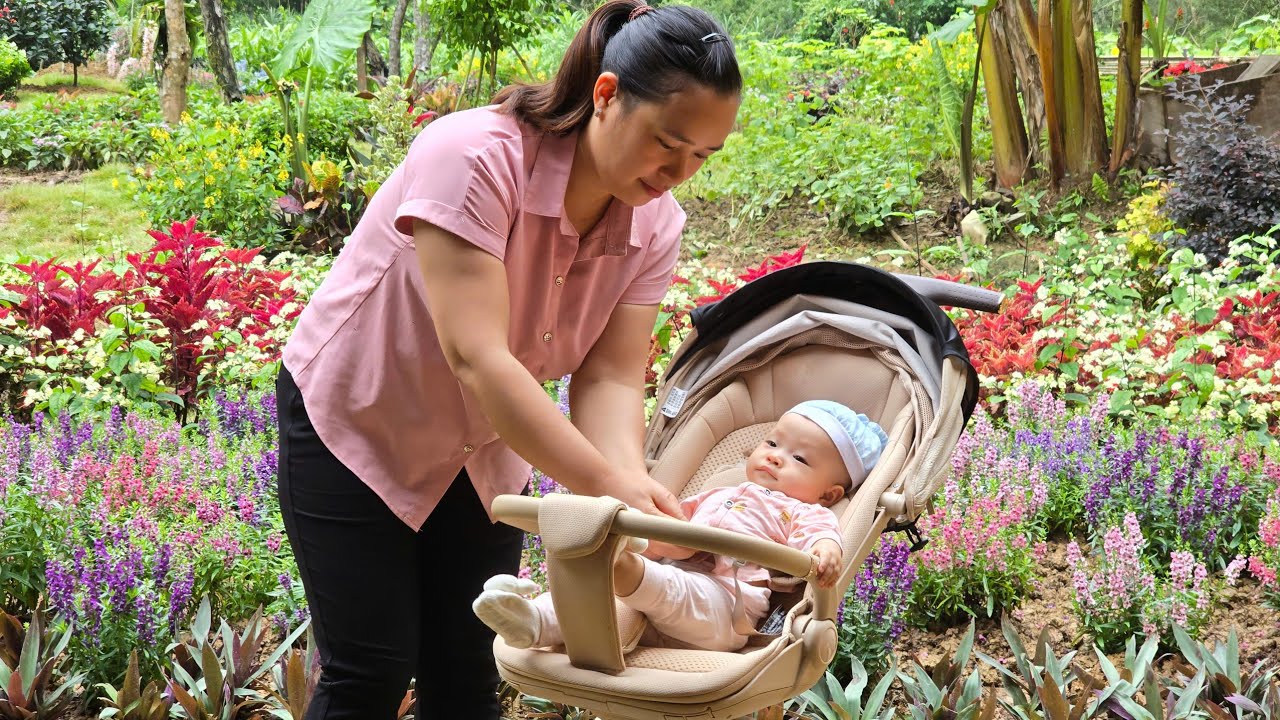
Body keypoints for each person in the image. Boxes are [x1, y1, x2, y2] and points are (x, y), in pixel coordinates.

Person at [273, 0, 741, 717]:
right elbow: (479, 357)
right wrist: (601, 481)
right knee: (370, 666)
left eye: (702, 158)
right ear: (607, 96)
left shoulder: (656, 223)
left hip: (484, 445)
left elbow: (611, 374)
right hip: (359, 420)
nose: (678, 172)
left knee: (468, 665)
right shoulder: (472, 155)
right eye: (666, 143)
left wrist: (624, 484)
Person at [473, 400, 890, 653]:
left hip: (727, 606)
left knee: (664, 586)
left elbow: (821, 535)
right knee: (602, 593)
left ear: (830, 495)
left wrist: (825, 550)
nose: (777, 457)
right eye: (773, 443)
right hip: (667, 578)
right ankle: (531, 620)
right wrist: (649, 542)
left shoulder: (803, 510)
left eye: (800, 459)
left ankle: (621, 569)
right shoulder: (716, 494)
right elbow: (669, 532)